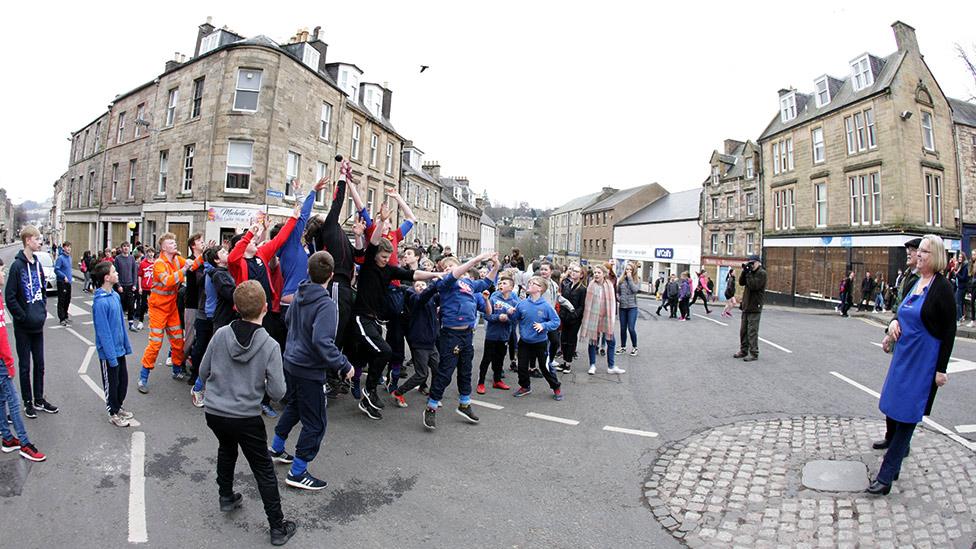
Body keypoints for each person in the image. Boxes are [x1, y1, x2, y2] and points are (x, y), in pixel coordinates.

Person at [197, 280, 297, 545]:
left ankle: (226, 496)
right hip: (245, 416)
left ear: (235, 307)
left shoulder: (220, 335)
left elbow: (203, 371)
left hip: (216, 412)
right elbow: (277, 392)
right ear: (265, 308)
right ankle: (277, 527)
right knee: (263, 469)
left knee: (226, 449)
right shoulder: (270, 345)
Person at [867, 235, 954, 496]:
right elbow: (900, 314)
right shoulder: (916, 282)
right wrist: (891, 326)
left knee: (908, 416)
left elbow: (949, 332)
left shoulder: (942, 288)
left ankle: (886, 475)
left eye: (925, 252)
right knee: (892, 405)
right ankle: (892, 468)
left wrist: (941, 369)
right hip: (903, 357)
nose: (919, 256)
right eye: (920, 252)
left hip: (923, 362)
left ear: (935, 256)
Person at [270, 252, 354, 491]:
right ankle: (298, 472)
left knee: (295, 405)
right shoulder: (326, 304)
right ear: (331, 275)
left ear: (308, 271)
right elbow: (323, 341)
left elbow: (290, 324)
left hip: (292, 362)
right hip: (308, 369)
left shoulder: (299, 294)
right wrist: (344, 365)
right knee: (316, 423)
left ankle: (276, 447)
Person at [353, 216, 441, 421]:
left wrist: (437, 275)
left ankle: (369, 393)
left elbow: (415, 275)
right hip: (360, 317)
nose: (385, 260)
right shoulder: (368, 265)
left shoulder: (391, 270)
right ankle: (368, 391)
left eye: (387, 257)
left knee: (383, 353)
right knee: (383, 351)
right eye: (383, 257)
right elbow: (373, 242)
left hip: (373, 320)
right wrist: (382, 222)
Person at [422, 251, 500, 430]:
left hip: (467, 335)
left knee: (466, 371)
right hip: (451, 335)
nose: (449, 269)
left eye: (452, 265)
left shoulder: (468, 284)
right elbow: (454, 274)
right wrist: (476, 260)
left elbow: (487, 281)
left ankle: (464, 404)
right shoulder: (444, 283)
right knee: (445, 373)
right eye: (446, 267)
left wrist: (495, 266)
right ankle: (431, 407)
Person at [138, 232, 203, 393]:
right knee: (155, 344)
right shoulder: (159, 263)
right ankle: (143, 377)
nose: (175, 244)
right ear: (163, 247)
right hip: (158, 309)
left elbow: (193, 266)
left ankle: (176, 369)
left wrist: (202, 255)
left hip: (171, 307)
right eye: (171, 242)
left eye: (174, 242)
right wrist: (185, 268)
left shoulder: (176, 259)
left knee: (178, 342)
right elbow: (168, 281)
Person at [5, 226, 58, 418]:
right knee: (25, 365)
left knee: (40, 364)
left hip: (38, 324)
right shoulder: (17, 266)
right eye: (37, 239)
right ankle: (27, 402)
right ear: (28, 240)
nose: (40, 242)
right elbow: (10, 297)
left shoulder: (37, 264)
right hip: (23, 326)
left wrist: (42, 310)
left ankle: (39, 399)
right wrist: (23, 316)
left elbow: (43, 291)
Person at [0, 266, 46, 461]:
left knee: (2, 399)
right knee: (13, 399)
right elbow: (1, 336)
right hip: (1, 361)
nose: (3, 274)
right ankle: (25, 443)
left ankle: (7, 438)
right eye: (0, 270)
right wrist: (9, 362)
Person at [91, 261, 135, 427]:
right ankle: (113, 412)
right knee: (111, 382)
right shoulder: (100, 302)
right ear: (107, 278)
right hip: (108, 353)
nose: (117, 273)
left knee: (122, 381)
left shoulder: (115, 296)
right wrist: (111, 357)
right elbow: (104, 332)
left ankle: (119, 406)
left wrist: (126, 345)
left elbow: (120, 325)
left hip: (119, 349)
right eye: (114, 271)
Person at [508, 276, 563, 400]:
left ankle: (556, 387)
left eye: (534, 283)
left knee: (545, 367)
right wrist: (510, 313)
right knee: (522, 366)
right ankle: (525, 386)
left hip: (540, 342)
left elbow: (556, 321)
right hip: (524, 342)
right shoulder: (522, 304)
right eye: (529, 282)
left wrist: (543, 325)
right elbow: (514, 319)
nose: (530, 284)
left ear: (540, 289)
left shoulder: (546, 306)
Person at [391, 279, 440, 405]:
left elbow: (444, 294)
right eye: (417, 285)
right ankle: (398, 393)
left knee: (437, 370)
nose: (421, 287)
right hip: (420, 343)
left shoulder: (433, 299)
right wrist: (436, 282)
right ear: (413, 289)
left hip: (431, 343)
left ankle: (433, 396)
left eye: (423, 284)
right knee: (421, 375)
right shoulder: (414, 299)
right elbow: (424, 296)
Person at [476, 275, 519, 394]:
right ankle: (481, 382)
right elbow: (487, 315)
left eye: (504, 283)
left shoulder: (514, 302)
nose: (501, 285)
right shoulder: (493, 299)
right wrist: (498, 317)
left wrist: (509, 316)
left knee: (500, 359)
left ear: (511, 287)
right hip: (492, 335)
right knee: (486, 359)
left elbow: (516, 320)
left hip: (504, 336)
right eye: (500, 283)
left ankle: (497, 380)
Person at [579, 265, 625, 375]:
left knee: (611, 341)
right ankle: (592, 365)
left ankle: (611, 366)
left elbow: (612, 302)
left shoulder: (609, 285)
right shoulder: (591, 285)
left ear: (604, 274)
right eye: (595, 272)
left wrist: (612, 317)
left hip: (606, 316)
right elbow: (588, 303)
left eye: (598, 272)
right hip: (594, 316)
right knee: (592, 341)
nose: (596, 274)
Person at [733, 255, 767, 362]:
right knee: (743, 331)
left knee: (752, 331)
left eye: (753, 263)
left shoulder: (762, 273)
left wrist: (748, 274)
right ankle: (743, 350)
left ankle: (754, 353)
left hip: (755, 306)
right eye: (750, 263)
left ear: (758, 263)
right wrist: (744, 271)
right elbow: (741, 282)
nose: (751, 265)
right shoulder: (750, 273)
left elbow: (754, 286)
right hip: (746, 306)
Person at [557, 263, 586, 374]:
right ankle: (564, 362)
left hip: (574, 319)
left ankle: (568, 363)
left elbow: (581, 306)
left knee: (571, 340)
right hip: (564, 316)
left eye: (577, 271)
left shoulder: (582, 289)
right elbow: (563, 301)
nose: (573, 272)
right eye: (573, 270)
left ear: (581, 275)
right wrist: (562, 314)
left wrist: (574, 315)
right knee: (563, 339)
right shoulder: (567, 285)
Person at [114, 242, 139, 331]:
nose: (126, 248)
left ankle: (131, 324)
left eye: (127, 246)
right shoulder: (117, 258)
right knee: (120, 306)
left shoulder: (132, 258)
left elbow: (134, 272)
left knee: (131, 306)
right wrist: (118, 285)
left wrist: (135, 284)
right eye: (124, 246)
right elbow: (115, 272)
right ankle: (118, 324)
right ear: (121, 248)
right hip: (121, 286)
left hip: (130, 286)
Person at [617, 262, 640, 356]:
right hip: (622, 307)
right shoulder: (621, 280)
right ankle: (623, 347)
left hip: (632, 307)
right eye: (627, 269)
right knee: (623, 328)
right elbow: (617, 292)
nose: (628, 271)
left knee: (631, 328)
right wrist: (619, 299)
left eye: (630, 269)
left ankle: (635, 347)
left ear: (633, 271)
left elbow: (635, 290)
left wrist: (630, 278)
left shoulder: (636, 279)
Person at [135, 248, 155, 331]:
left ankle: (153, 322)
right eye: (149, 252)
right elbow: (140, 276)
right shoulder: (143, 263)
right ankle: (141, 322)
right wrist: (139, 287)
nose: (150, 254)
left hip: (153, 287)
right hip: (144, 287)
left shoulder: (156, 263)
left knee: (154, 305)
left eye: (152, 252)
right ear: (147, 253)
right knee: (143, 304)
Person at [54, 241, 73, 327]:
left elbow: (69, 269)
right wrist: (63, 276)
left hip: (68, 282)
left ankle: (65, 316)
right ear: (64, 248)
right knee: (62, 300)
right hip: (62, 282)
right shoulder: (60, 258)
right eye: (67, 247)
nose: (69, 248)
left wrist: (70, 277)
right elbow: (56, 270)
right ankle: (61, 318)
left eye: (70, 247)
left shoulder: (69, 258)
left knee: (68, 299)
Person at [953, 250, 970, 323]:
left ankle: (959, 318)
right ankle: (961, 317)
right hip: (959, 286)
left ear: (963, 258)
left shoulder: (965, 266)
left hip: (962, 287)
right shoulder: (960, 265)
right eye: (959, 257)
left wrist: (956, 274)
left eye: (961, 257)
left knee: (958, 303)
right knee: (960, 302)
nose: (959, 258)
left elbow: (963, 278)